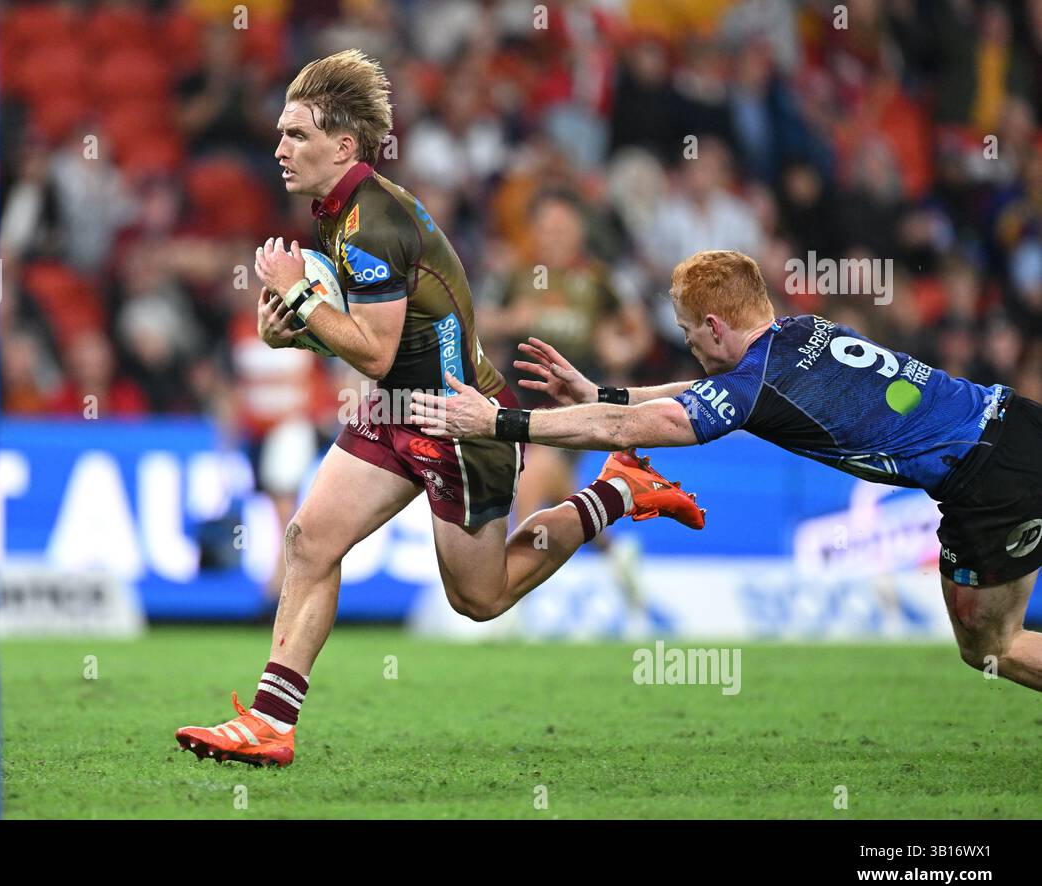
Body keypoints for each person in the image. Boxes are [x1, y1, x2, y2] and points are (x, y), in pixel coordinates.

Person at [174, 50, 704, 768]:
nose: (279, 149)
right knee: (308, 540)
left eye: (296, 135)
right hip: (396, 408)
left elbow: (374, 351)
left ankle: (617, 491)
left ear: (344, 146)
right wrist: (292, 329)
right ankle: (271, 721)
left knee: (480, 599)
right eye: (280, 134)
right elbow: (375, 345)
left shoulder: (371, 224)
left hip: (459, 422)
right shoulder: (341, 211)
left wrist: (298, 294)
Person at [409, 249, 1042, 693]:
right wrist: (605, 392)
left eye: (687, 331)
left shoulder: (754, 387)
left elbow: (626, 432)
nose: (687, 342)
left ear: (714, 326)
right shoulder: (800, 331)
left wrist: (498, 422)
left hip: (989, 480)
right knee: (988, 644)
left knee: (994, 647)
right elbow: (710, 392)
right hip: (1014, 421)